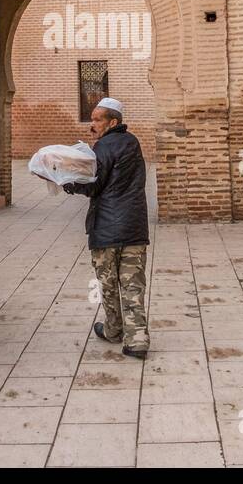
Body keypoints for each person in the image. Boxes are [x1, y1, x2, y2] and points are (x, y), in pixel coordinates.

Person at [62, 97, 150, 359]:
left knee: (109, 285)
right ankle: (137, 340)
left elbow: (93, 185)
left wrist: (69, 182)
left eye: (98, 119)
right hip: (134, 226)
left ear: (113, 122)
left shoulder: (104, 147)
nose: (93, 124)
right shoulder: (133, 142)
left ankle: (113, 330)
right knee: (133, 284)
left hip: (107, 228)